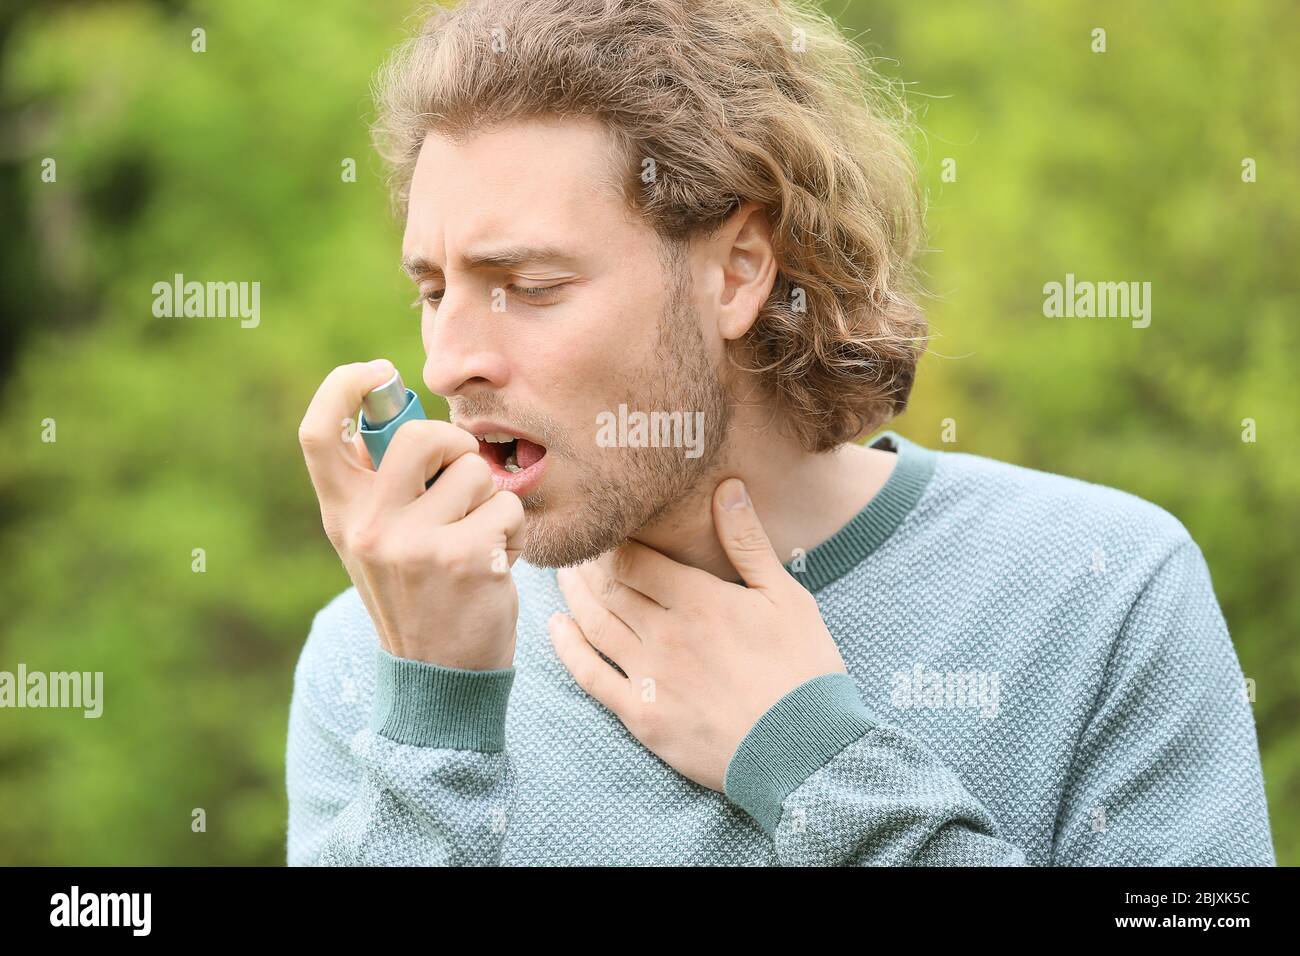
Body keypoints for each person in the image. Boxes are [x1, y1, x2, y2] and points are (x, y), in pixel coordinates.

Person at [287, 0, 1274, 865]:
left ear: (739, 269)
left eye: (531, 286)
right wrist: (435, 722)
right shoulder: (375, 658)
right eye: (432, 288)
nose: (448, 359)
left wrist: (817, 766)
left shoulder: (1101, 587)